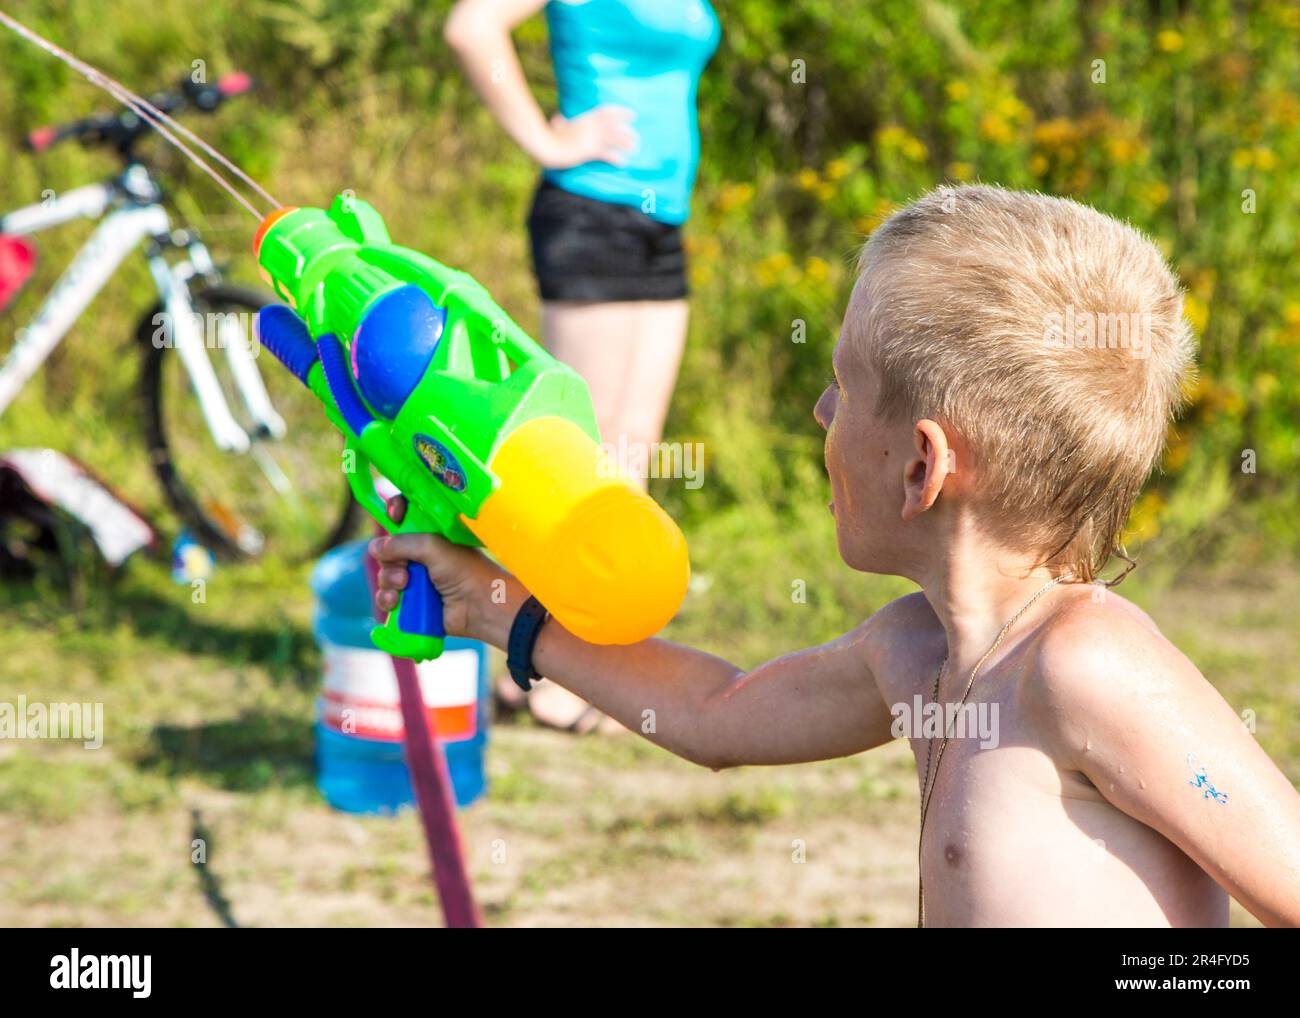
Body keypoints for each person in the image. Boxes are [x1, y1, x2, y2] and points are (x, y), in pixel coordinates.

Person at [372, 184, 1300, 926]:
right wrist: (493, 605)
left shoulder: (1086, 666)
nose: (819, 412)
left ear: (921, 467)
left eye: (844, 385)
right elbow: (712, 715)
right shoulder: (915, 652)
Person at [444, 0, 720, 732]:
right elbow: (470, 26)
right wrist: (546, 139)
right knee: (575, 460)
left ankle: (587, 660)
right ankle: (542, 672)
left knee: (629, 453)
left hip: (663, 222)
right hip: (591, 214)